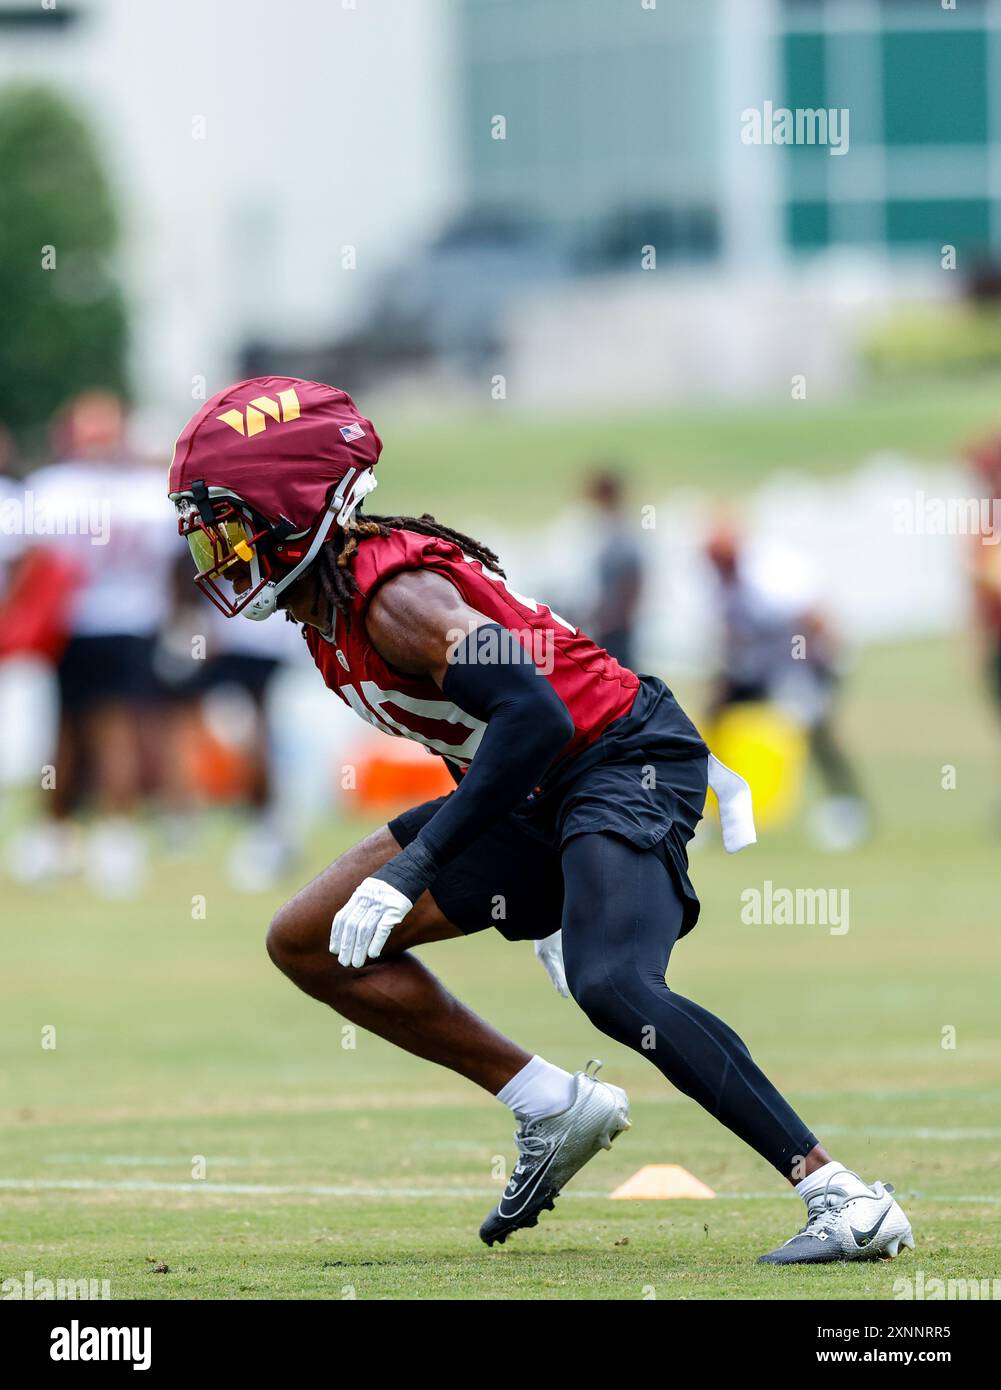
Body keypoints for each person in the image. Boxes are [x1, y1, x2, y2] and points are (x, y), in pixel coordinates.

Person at [167, 376, 913, 1263]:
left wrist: (416, 866)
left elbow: (534, 713)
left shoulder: (399, 597)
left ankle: (845, 1198)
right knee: (308, 939)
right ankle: (547, 1106)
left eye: (227, 525)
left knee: (614, 986)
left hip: (617, 758)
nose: (217, 553)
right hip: (534, 787)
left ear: (293, 506)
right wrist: (527, 896)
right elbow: (474, 731)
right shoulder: (323, 610)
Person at [704, 522, 870, 851]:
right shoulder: (722, 585)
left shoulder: (771, 575)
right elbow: (732, 637)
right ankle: (710, 812)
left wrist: (814, 673)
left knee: (814, 730)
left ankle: (847, 807)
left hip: (799, 665)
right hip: (757, 668)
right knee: (713, 725)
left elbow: (816, 621)